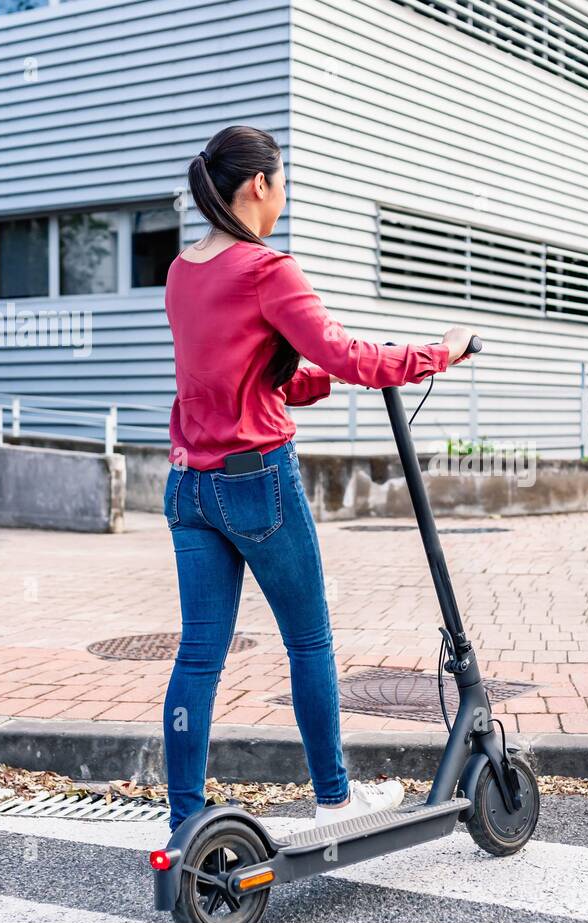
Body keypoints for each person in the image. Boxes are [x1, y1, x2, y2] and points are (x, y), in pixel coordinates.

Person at [161, 125, 475, 832]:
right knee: (309, 643)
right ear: (258, 187)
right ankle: (333, 798)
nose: (283, 199)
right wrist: (441, 353)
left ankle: (184, 821)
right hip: (257, 486)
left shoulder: (183, 272)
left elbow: (220, 380)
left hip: (189, 489)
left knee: (198, 656)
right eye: (282, 184)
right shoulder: (267, 269)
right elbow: (348, 353)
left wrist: (308, 384)